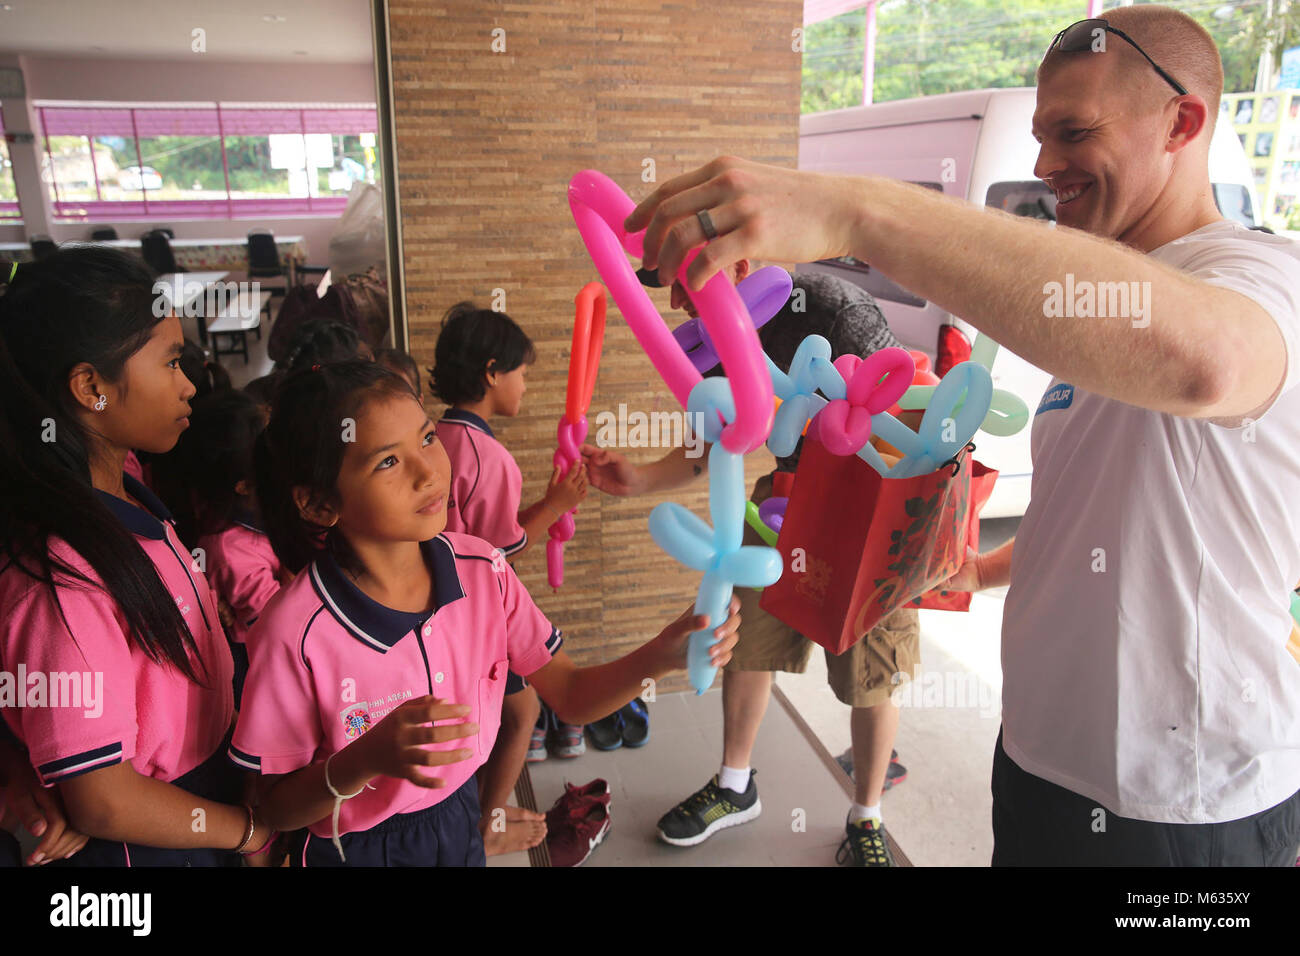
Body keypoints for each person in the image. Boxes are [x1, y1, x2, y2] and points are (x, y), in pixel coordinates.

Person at [624, 5, 1300, 866]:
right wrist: (976, 568)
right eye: (1041, 135)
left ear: (1185, 120)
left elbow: (1205, 366)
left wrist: (854, 212)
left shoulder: (1262, 276)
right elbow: (1095, 511)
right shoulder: (1100, 310)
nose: (1045, 163)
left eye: (1074, 130)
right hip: (1039, 769)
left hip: (1182, 806)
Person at [234, 360, 741, 866]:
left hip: (457, 817)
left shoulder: (483, 569)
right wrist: (362, 760)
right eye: (387, 462)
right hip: (352, 849)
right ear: (320, 505)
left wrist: (660, 656)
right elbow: (273, 808)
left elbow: (570, 696)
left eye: (427, 438)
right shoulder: (293, 634)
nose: (428, 472)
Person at [582, 265, 916, 866]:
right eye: (669, 288)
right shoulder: (714, 336)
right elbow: (715, 436)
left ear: (733, 261)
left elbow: (906, 410)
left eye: (684, 279)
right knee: (743, 639)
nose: (680, 300)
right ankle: (735, 786)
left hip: (869, 501)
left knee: (872, 668)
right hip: (781, 502)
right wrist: (637, 479)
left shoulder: (832, 307)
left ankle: (866, 815)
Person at [0, 248, 273, 865]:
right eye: (172, 362)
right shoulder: (64, 575)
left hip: (197, 800)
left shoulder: (124, 487)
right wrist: (247, 830)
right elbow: (103, 797)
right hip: (149, 839)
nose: (189, 383)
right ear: (92, 387)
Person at [429, 301, 588, 852]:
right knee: (523, 713)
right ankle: (485, 825)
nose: (525, 386)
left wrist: (549, 500)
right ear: (492, 372)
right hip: (475, 613)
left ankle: (465, 812)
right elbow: (496, 549)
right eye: (521, 373)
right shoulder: (490, 457)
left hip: (434, 612)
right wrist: (557, 504)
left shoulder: (435, 437)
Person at [151, 388, 288, 706]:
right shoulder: (229, 550)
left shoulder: (261, 515)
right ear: (244, 485)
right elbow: (281, 624)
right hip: (261, 670)